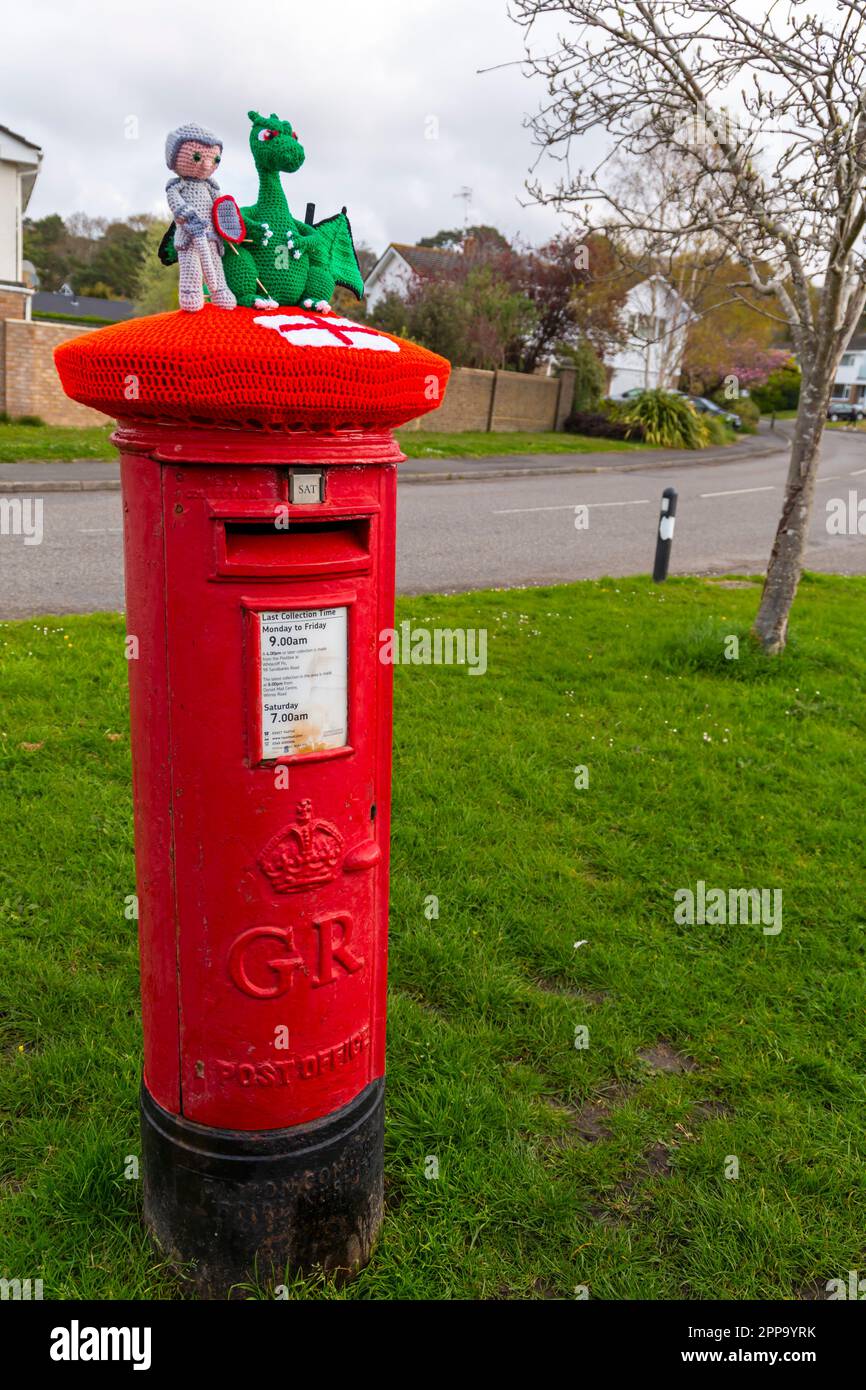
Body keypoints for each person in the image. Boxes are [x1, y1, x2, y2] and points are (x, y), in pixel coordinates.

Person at [165, 123, 236, 312]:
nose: (206, 165)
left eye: (214, 159)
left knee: (216, 265)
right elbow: (176, 204)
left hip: (211, 237)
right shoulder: (176, 186)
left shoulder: (212, 187)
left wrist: (227, 225)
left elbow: (221, 208)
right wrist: (187, 216)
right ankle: (191, 293)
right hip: (189, 236)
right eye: (197, 157)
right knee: (191, 268)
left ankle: (219, 290)